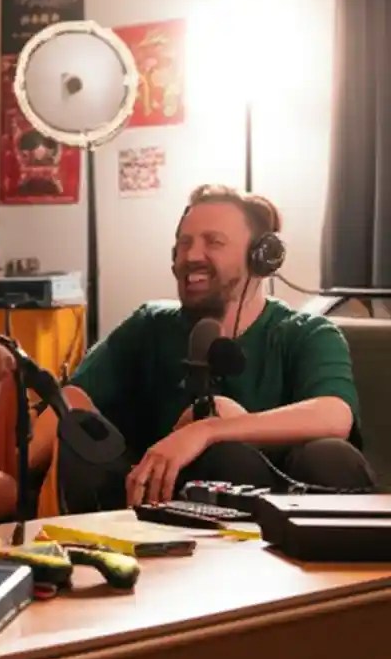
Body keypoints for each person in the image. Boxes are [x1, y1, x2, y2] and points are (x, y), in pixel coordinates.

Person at [35, 184, 375, 512]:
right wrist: (9, 472)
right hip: (160, 523)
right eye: (184, 244)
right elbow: (74, 399)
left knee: (319, 456)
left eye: (214, 242)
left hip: (277, 523)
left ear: (261, 259)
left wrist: (207, 431)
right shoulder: (149, 326)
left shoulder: (307, 334)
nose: (191, 256)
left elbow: (334, 414)